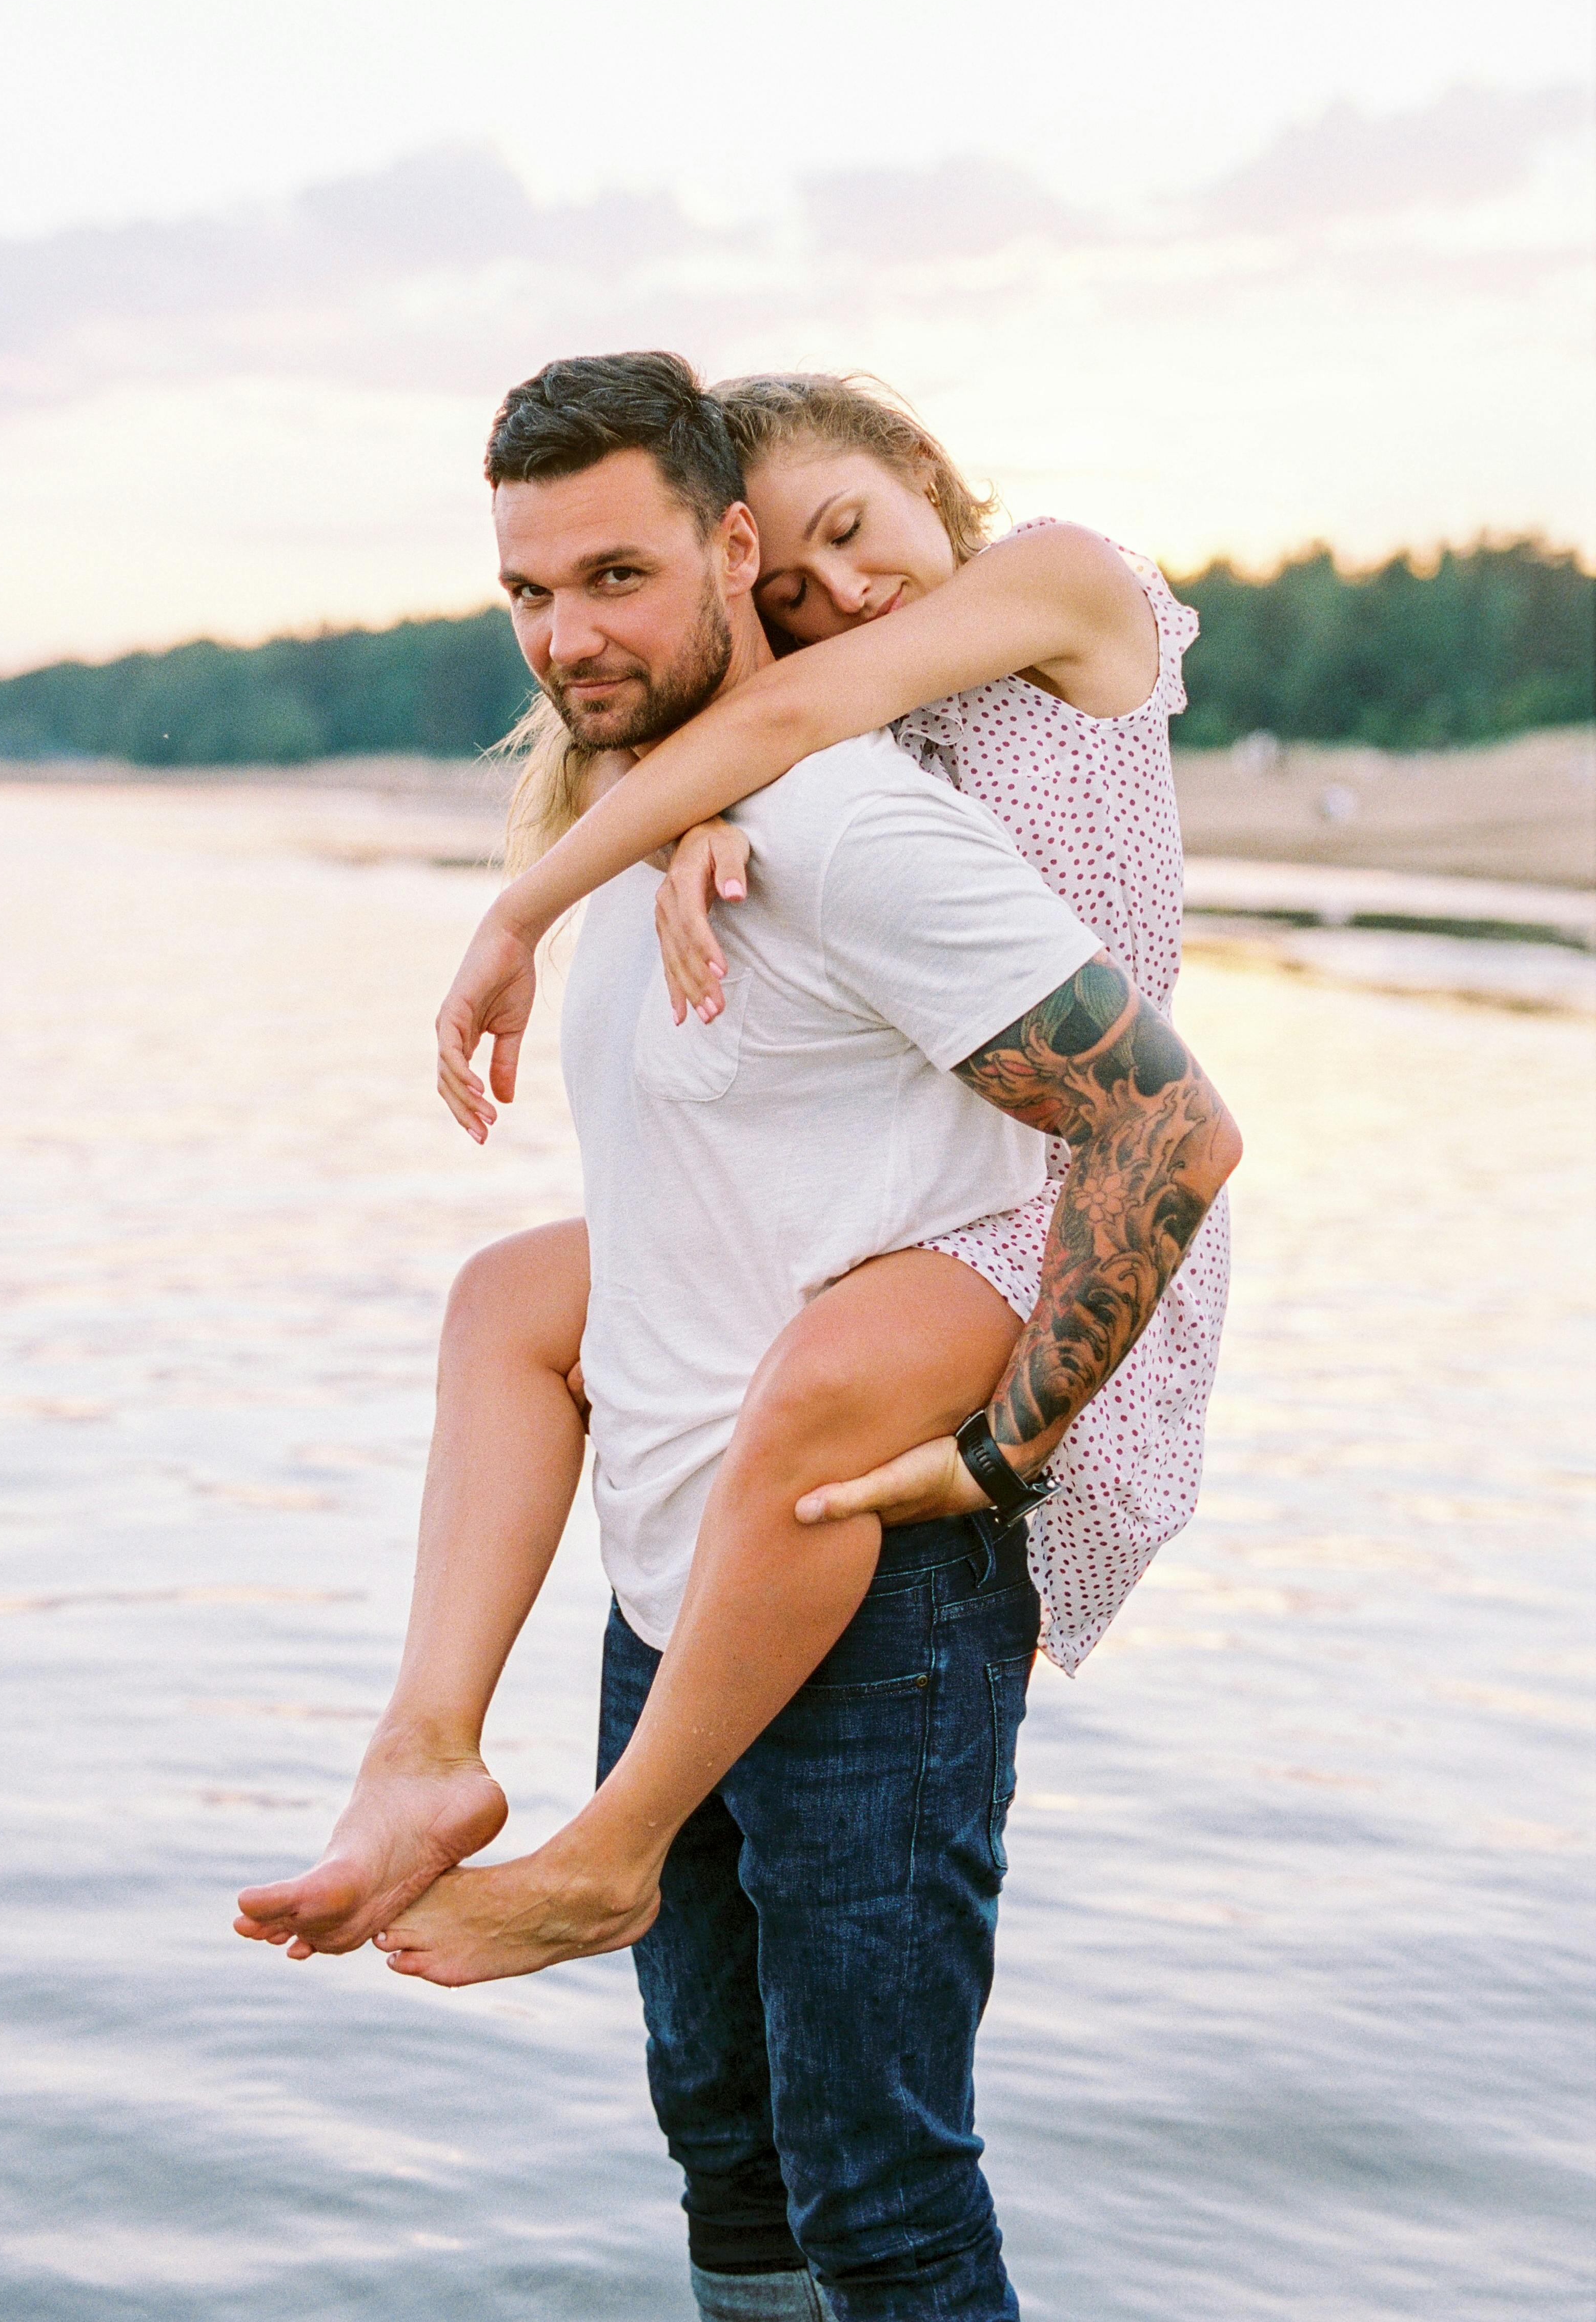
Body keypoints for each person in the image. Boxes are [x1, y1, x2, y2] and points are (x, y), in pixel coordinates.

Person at [238, 354, 1240, 2322]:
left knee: (880, 2202)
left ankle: (603, 1844)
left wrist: (1012, 1440)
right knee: (738, 2179)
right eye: (528, 593)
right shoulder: (702, 818)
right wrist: (636, 844)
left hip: (883, 1576)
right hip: (681, 1584)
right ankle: (428, 1752)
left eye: (614, 576)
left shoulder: (902, 761)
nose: (562, 634)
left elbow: (1167, 1126)